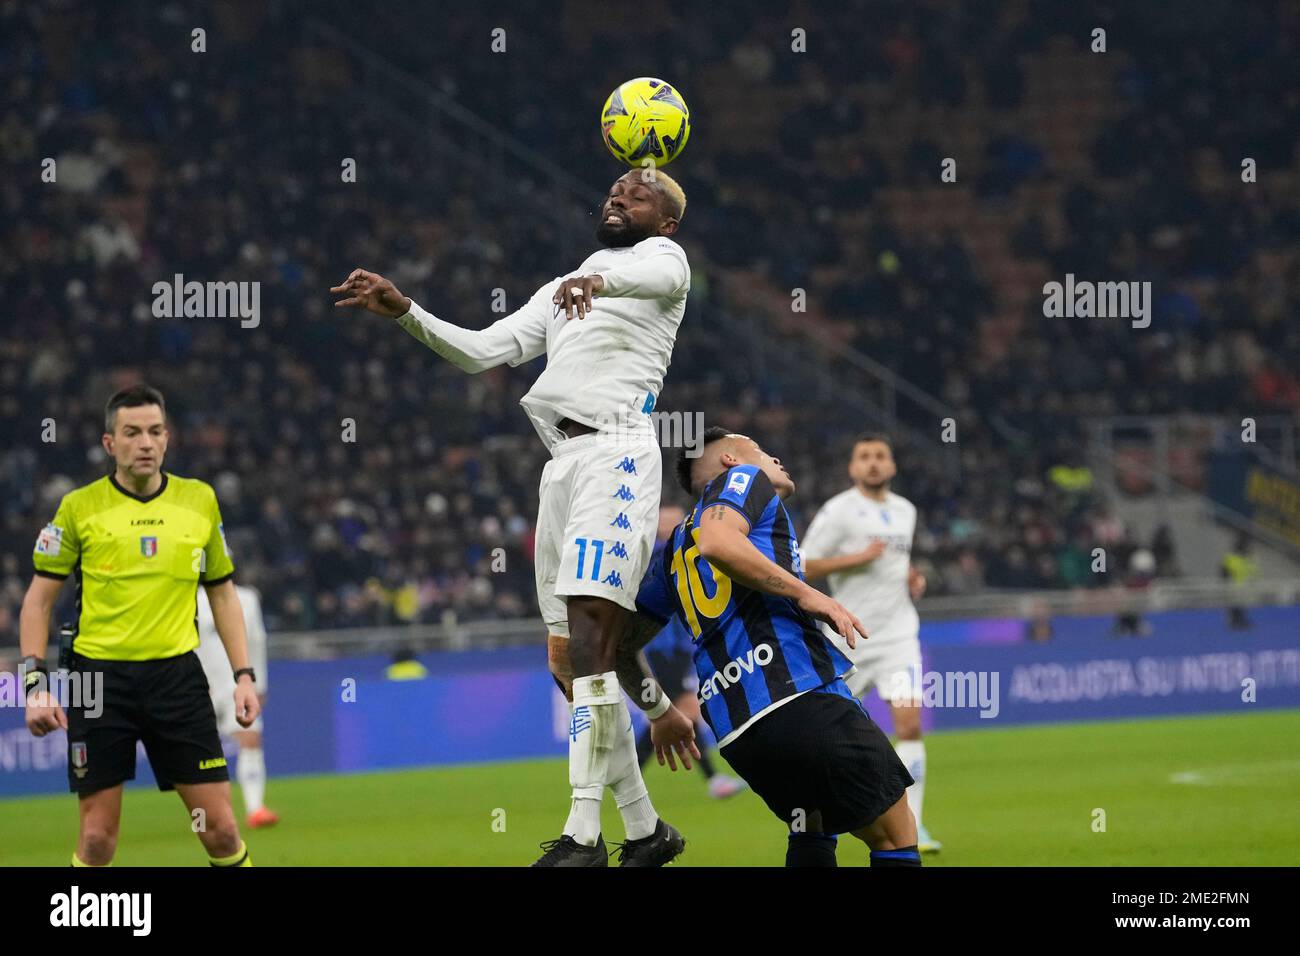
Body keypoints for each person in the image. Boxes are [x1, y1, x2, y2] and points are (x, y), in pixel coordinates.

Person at [332, 167, 698, 867]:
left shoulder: (664, 262)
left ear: (666, 222)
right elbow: (480, 351)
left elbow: (655, 283)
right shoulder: (562, 289)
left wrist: (601, 283)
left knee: (592, 641)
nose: (619, 197)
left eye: (638, 195)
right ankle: (647, 831)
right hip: (560, 465)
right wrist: (406, 310)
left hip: (617, 456)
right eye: (615, 190)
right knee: (568, 661)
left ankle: (582, 837)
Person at [633, 427, 920, 867]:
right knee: (895, 837)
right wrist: (808, 594)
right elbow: (718, 541)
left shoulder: (672, 548)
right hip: (797, 695)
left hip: (739, 729)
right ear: (731, 459)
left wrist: (658, 710)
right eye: (762, 450)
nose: (774, 459)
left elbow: (614, 644)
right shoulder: (742, 480)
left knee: (812, 827)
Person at [21, 384, 259, 867]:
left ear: (167, 439)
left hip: (177, 680)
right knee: (96, 841)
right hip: (98, 682)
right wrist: (33, 684)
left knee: (220, 830)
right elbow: (37, 601)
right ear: (111, 444)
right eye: (132, 433)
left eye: (154, 432)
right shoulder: (78, 508)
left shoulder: (199, 501)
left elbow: (222, 592)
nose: (145, 443)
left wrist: (243, 676)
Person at [801, 434, 941, 852]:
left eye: (881, 456)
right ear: (852, 468)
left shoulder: (906, 511)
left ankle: (914, 824)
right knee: (825, 738)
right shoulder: (839, 511)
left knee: (910, 725)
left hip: (899, 635)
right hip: (849, 639)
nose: (874, 463)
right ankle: (821, 822)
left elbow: (897, 560)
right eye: (865, 457)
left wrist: (912, 577)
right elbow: (802, 564)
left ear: (893, 466)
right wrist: (854, 559)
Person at [635, 506, 747, 799]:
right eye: (668, 519)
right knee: (684, 711)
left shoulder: (671, 551)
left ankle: (626, 776)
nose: (676, 523)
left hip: (677, 647)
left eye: (677, 518)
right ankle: (712, 781)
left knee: (670, 715)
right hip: (662, 649)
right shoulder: (656, 553)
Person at [196, 582, 278, 828]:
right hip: (200, 684)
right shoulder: (188, 597)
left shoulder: (247, 598)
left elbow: (256, 641)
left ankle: (255, 809)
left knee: (250, 738)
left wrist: (257, 684)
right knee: (199, 752)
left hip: (236, 683)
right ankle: (206, 814)